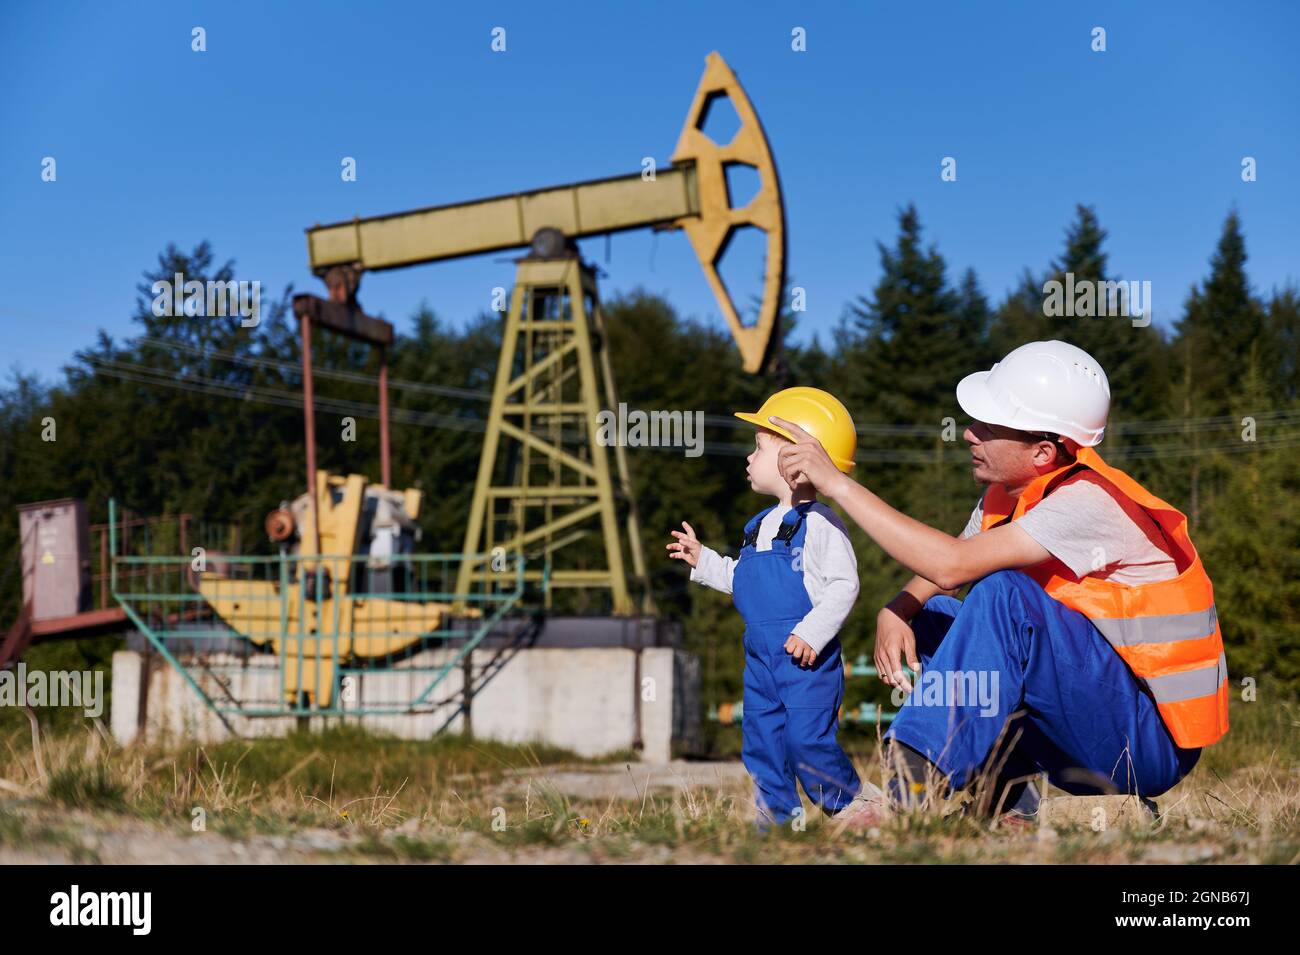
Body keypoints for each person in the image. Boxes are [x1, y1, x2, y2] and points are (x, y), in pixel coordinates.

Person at [770, 341, 1228, 827]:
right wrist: (899, 608)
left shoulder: (1088, 504)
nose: (969, 434)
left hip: (1147, 742)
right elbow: (944, 569)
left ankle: (908, 796)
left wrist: (838, 485)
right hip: (1089, 720)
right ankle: (1010, 800)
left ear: (1043, 451)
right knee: (936, 619)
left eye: (988, 427)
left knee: (1003, 596)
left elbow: (951, 566)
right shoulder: (1009, 497)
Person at [668, 387, 871, 826]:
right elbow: (742, 579)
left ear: (795, 463)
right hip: (761, 658)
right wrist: (704, 560)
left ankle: (851, 806)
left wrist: (811, 633)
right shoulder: (759, 526)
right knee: (761, 739)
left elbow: (843, 585)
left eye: (758, 448)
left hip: (804, 660)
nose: (748, 457)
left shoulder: (819, 524)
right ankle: (779, 818)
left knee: (805, 739)